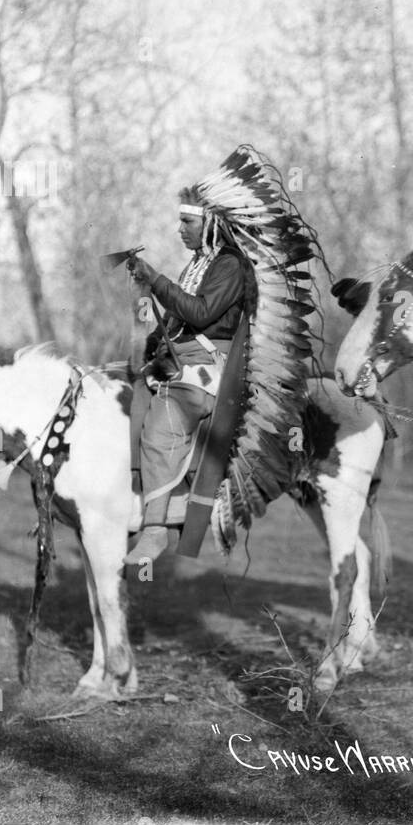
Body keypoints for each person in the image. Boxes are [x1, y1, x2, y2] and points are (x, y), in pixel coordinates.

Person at [123, 189, 254, 564]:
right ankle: (143, 495)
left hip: (214, 367)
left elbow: (198, 313)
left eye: (187, 222)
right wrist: (150, 344)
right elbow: (181, 319)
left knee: (165, 422)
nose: (179, 229)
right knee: (125, 394)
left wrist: (157, 280)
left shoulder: (230, 264)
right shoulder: (199, 263)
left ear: (211, 224)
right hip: (182, 356)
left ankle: (154, 530)